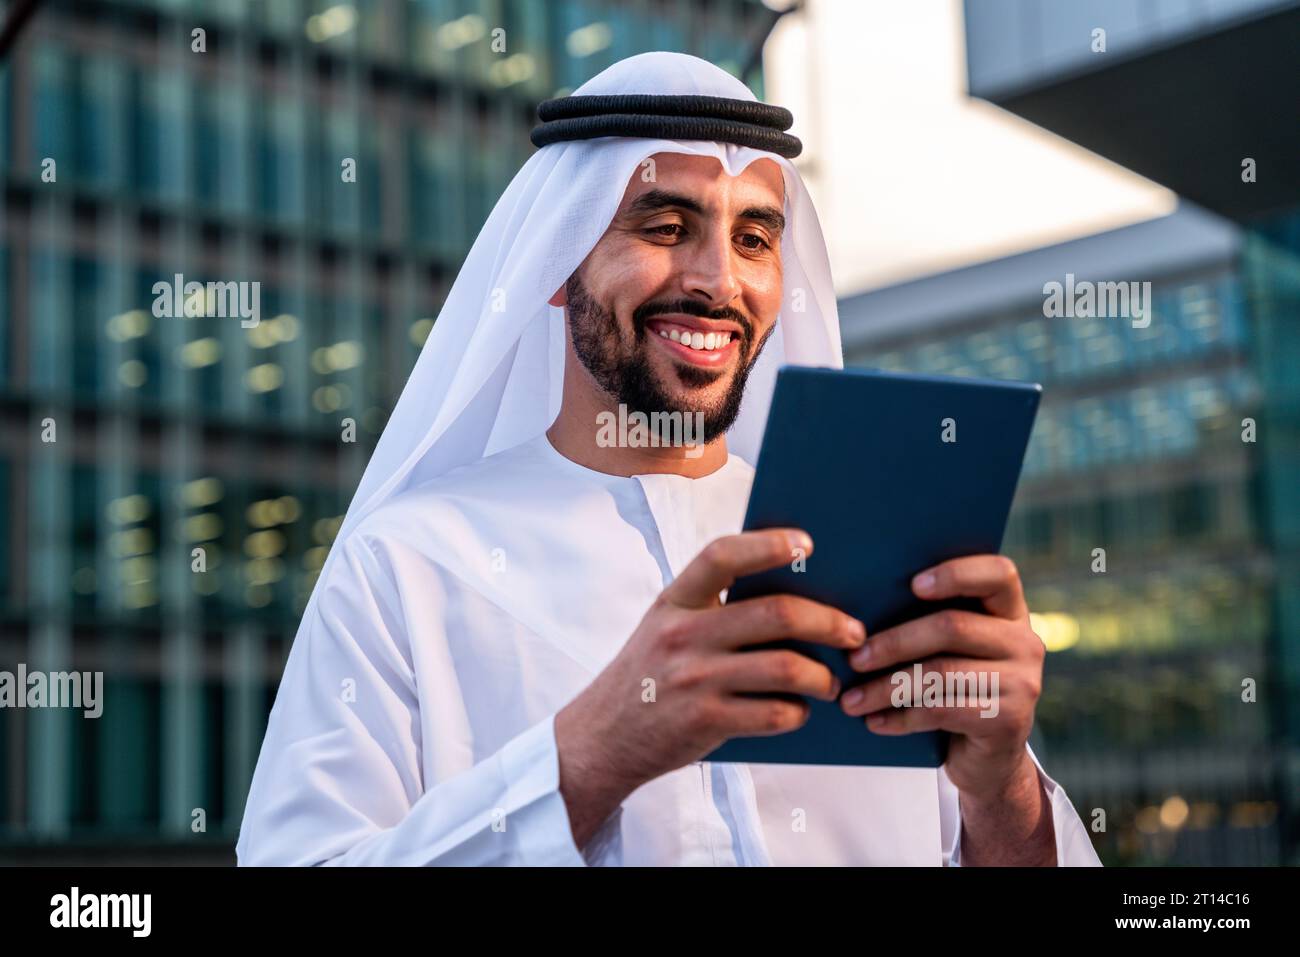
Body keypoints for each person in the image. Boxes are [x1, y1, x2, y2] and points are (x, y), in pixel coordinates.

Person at [236, 52, 1101, 867]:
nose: (719, 281)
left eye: (755, 239)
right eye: (666, 225)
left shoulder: (870, 559)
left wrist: (1002, 782)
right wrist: (590, 755)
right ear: (556, 258)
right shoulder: (409, 562)